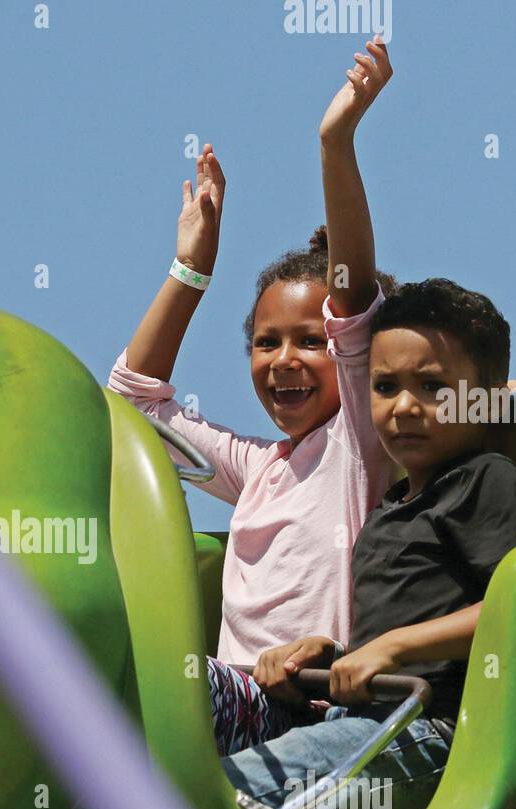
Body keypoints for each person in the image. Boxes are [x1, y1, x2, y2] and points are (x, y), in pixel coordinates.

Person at [108, 37, 398, 754]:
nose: (284, 361)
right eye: (266, 344)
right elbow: (133, 406)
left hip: (311, 706)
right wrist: (191, 268)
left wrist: (335, 143)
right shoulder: (258, 470)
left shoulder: (358, 445)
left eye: (310, 341)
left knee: (134, 681)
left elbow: (355, 307)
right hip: (236, 701)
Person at [222, 278, 516, 809]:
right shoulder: (392, 506)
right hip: (358, 724)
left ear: (485, 398)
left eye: (434, 388)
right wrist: (328, 652)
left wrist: (395, 648)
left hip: (432, 735)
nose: (405, 407)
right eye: (385, 386)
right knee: (193, 772)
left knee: (235, 790)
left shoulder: (483, 481)